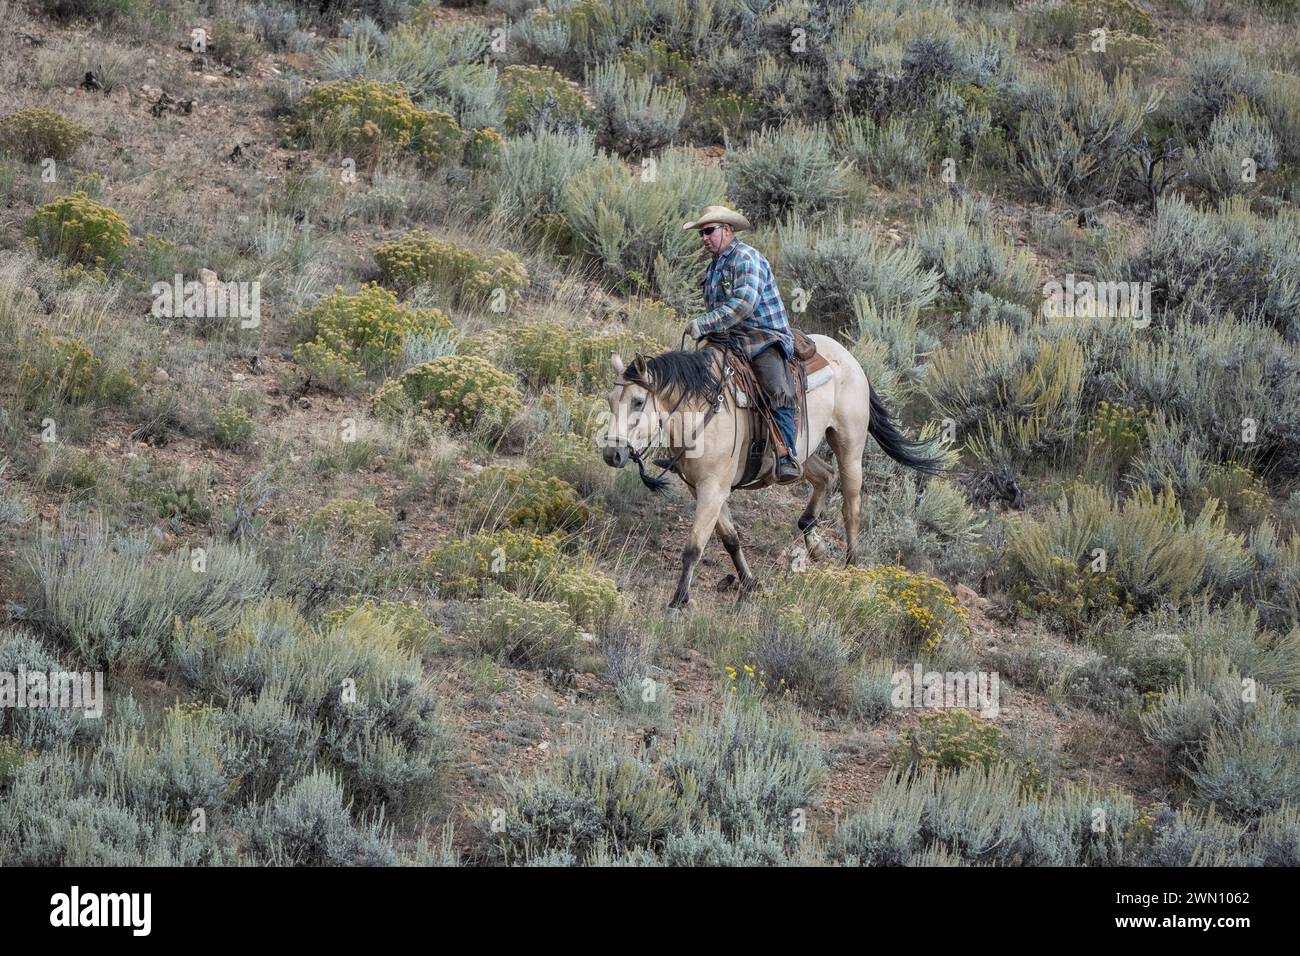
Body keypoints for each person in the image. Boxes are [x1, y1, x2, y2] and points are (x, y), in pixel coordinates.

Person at [682, 205, 801, 484]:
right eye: (702, 233)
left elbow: (743, 304)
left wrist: (704, 323)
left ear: (727, 230)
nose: (704, 238)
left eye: (709, 231)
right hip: (729, 338)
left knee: (776, 387)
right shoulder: (714, 266)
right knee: (692, 377)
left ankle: (785, 453)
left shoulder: (747, 258)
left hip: (762, 336)